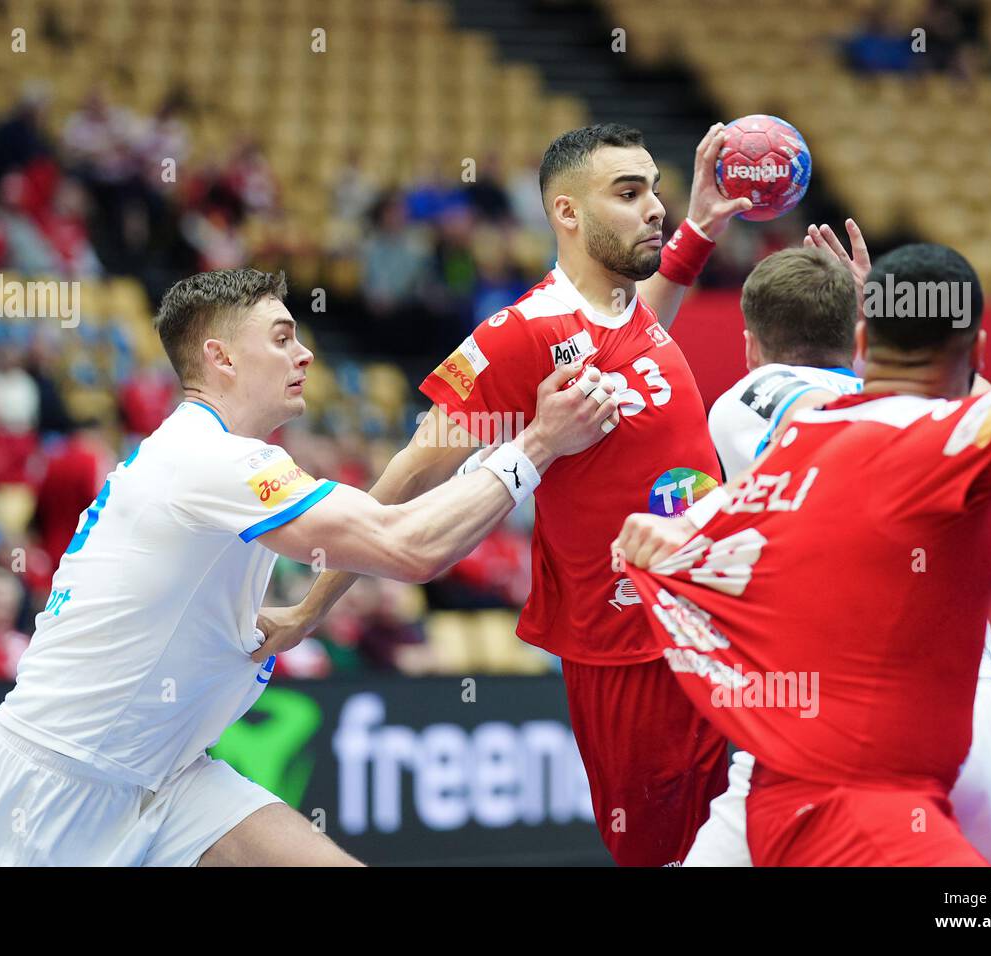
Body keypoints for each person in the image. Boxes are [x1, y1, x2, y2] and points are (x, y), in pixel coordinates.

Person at [0, 268, 618, 867]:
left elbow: (375, 519)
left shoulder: (215, 454)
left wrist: (307, 611)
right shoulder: (210, 460)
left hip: (168, 772)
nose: (304, 353)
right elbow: (409, 548)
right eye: (280, 339)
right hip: (53, 785)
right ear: (219, 358)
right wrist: (539, 443)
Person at [255, 123, 753, 866]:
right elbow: (403, 481)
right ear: (567, 214)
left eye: (655, 188)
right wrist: (306, 609)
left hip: (715, 628)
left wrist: (703, 226)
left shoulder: (627, 311)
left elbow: (646, 316)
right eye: (628, 192)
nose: (654, 207)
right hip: (632, 657)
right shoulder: (520, 335)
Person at [613, 242, 991, 866]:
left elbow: (740, 505)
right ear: (980, 353)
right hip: (939, 741)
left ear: (862, 339)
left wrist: (676, 528)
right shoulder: (962, 432)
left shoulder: (801, 435)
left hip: (794, 758)